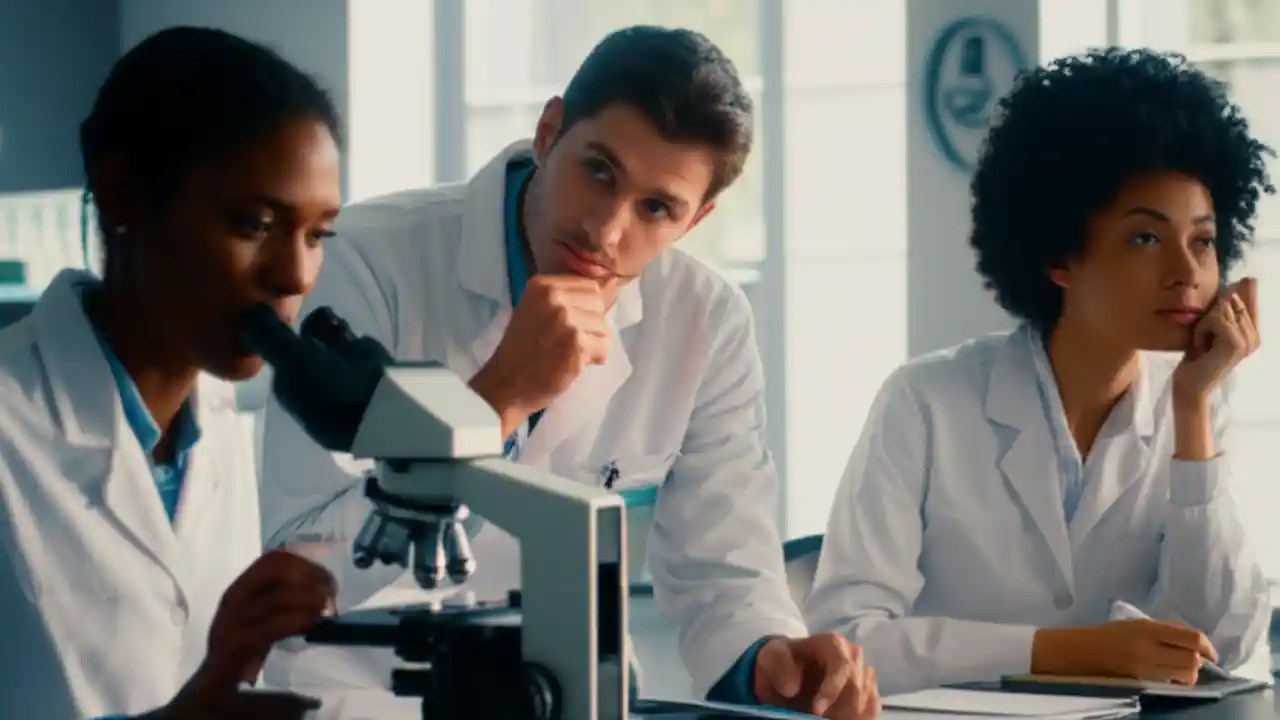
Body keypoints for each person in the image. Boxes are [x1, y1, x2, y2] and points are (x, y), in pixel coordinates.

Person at [259, 25, 879, 719]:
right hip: (355, 698)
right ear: (550, 131)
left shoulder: (707, 322)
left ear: (695, 219)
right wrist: (494, 403)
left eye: (656, 208)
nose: (607, 231)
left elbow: (724, 572)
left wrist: (771, 658)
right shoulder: (365, 260)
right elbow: (294, 563)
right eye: (599, 171)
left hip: (566, 695)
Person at [804, 47, 1272, 696]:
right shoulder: (927, 401)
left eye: (1203, 240)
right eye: (1145, 237)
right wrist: (1061, 652)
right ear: (1059, 257)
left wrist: (1193, 409)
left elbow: (1219, 642)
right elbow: (849, 636)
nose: (1187, 272)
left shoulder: (1191, 407)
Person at [0, 27, 345, 719]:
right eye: (254, 223)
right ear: (124, 193)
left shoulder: (220, 431)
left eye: (317, 235)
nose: (295, 274)